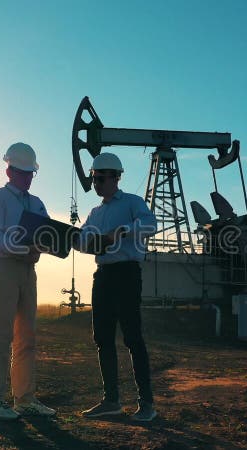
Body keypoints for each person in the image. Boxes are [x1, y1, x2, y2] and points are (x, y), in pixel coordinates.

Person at [77, 152, 159, 422]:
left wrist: (121, 231)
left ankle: (146, 404)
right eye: (94, 178)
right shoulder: (95, 212)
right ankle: (111, 400)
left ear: (116, 177)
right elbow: (83, 239)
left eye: (100, 178)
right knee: (102, 338)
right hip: (103, 276)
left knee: (133, 338)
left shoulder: (134, 203)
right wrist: (72, 239)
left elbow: (150, 224)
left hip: (126, 274)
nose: (96, 183)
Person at [0, 142, 56, 420]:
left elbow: (47, 233)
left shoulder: (36, 204)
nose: (26, 178)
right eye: (22, 173)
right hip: (3, 269)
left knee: (27, 337)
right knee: (0, 334)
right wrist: (24, 246)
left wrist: (52, 243)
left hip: (27, 271)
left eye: (30, 174)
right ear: (9, 170)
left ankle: (25, 399)